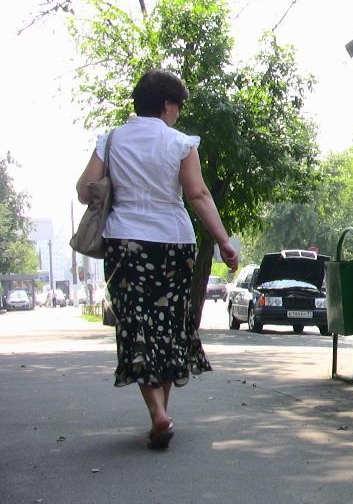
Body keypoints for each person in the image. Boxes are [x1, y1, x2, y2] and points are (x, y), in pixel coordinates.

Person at [75, 69, 239, 450]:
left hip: (125, 242)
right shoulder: (180, 143)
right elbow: (198, 195)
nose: (179, 112)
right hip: (173, 243)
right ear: (166, 105)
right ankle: (161, 412)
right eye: (178, 105)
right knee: (169, 325)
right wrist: (223, 242)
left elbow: (85, 191)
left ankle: (157, 413)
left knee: (136, 323)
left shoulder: (111, 140)